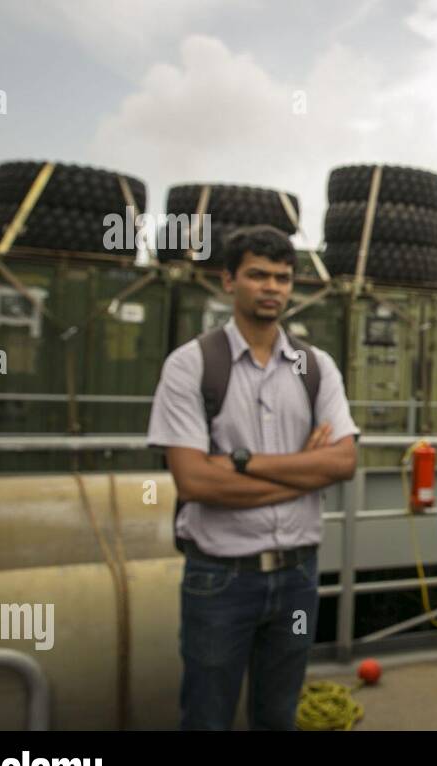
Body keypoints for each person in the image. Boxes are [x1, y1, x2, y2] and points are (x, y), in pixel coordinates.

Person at [147, 225, 359, 730]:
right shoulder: (190, 365)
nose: (272, 288)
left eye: (282, 278)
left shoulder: (316, 367)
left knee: (278, 716)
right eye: (257, 275)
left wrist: (239, 462)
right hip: (220, 578)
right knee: (207, 717)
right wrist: (303, 474)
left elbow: (343, 463)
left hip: (298, 577)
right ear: (228, 281)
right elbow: (196, 483)